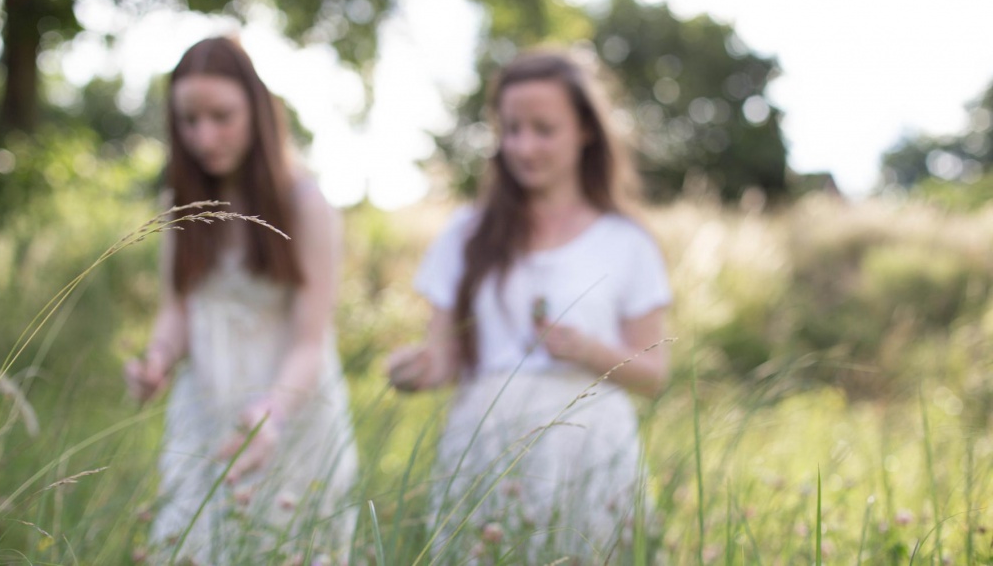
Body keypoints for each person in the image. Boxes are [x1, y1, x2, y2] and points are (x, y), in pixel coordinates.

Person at [387, 49, 673, 562]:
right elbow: (445, 357)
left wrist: (587, 350)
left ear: (584, 130)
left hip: (588, 445)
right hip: (485, 439)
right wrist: (415, 369)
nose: (523, 146)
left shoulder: (625, 241)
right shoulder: (466, 234)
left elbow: (653, 374)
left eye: (543, 129)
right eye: (512, 129)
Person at [125, 36, 357, 564]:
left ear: (257, 108)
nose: (204, 136)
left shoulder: (305, 205)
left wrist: (270, 414)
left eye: (221, 115)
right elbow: (177, 308)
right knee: (193, 544)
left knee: (288, 543)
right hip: (203, 403)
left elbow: (309, 340)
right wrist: (157, 360)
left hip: (287, 405)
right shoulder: (179, 204)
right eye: (189, 119)